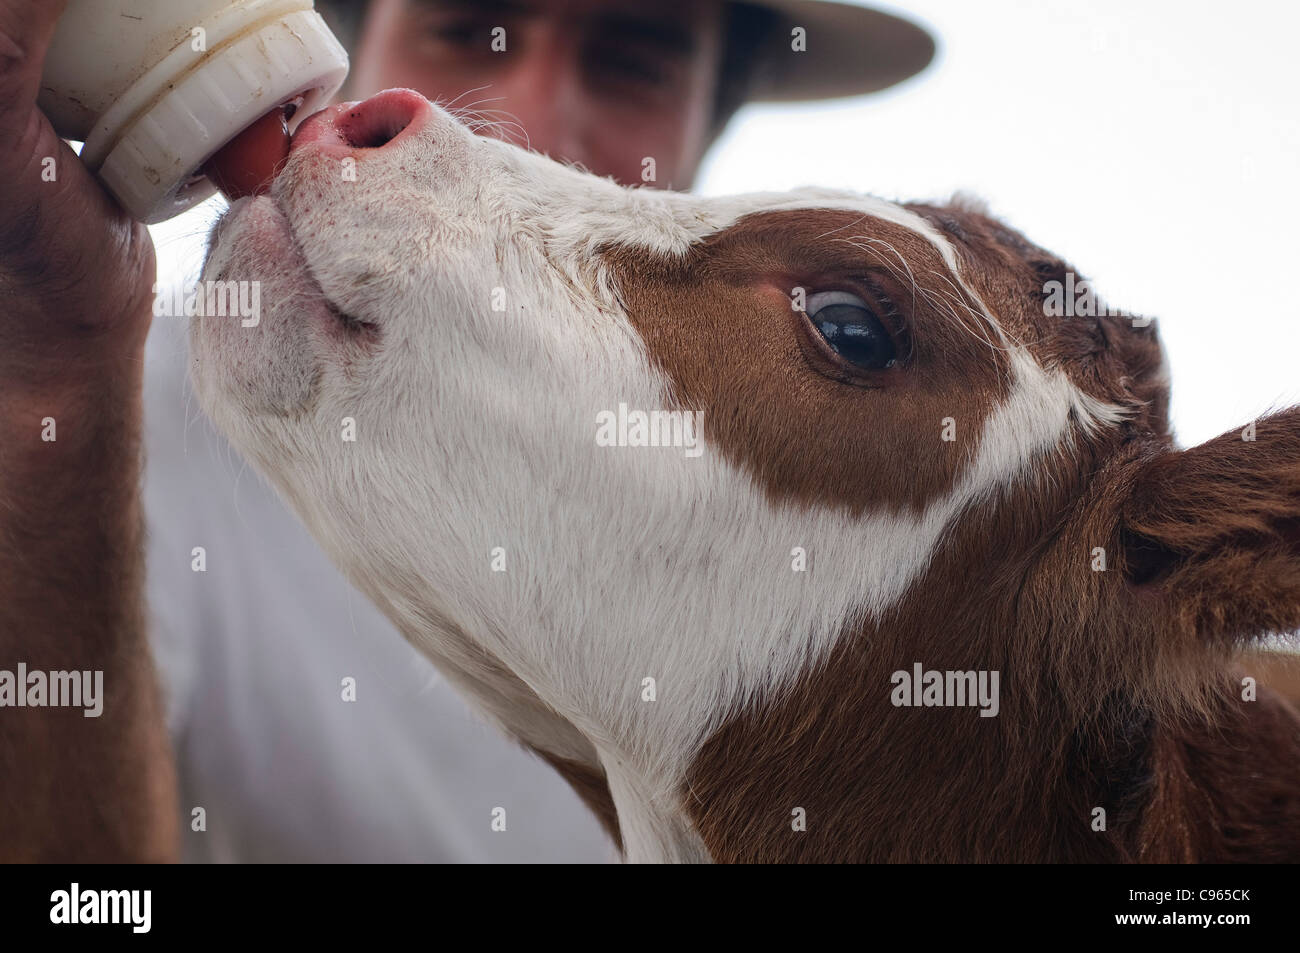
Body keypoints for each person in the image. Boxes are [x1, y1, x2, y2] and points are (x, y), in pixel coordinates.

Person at [0, 0, 933, 861]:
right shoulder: (128, 417)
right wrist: (65, 382)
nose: (528, 119)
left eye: (634, 62)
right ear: (340, 50)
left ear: (710, 123)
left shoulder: (841, 570)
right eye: (465, 25)